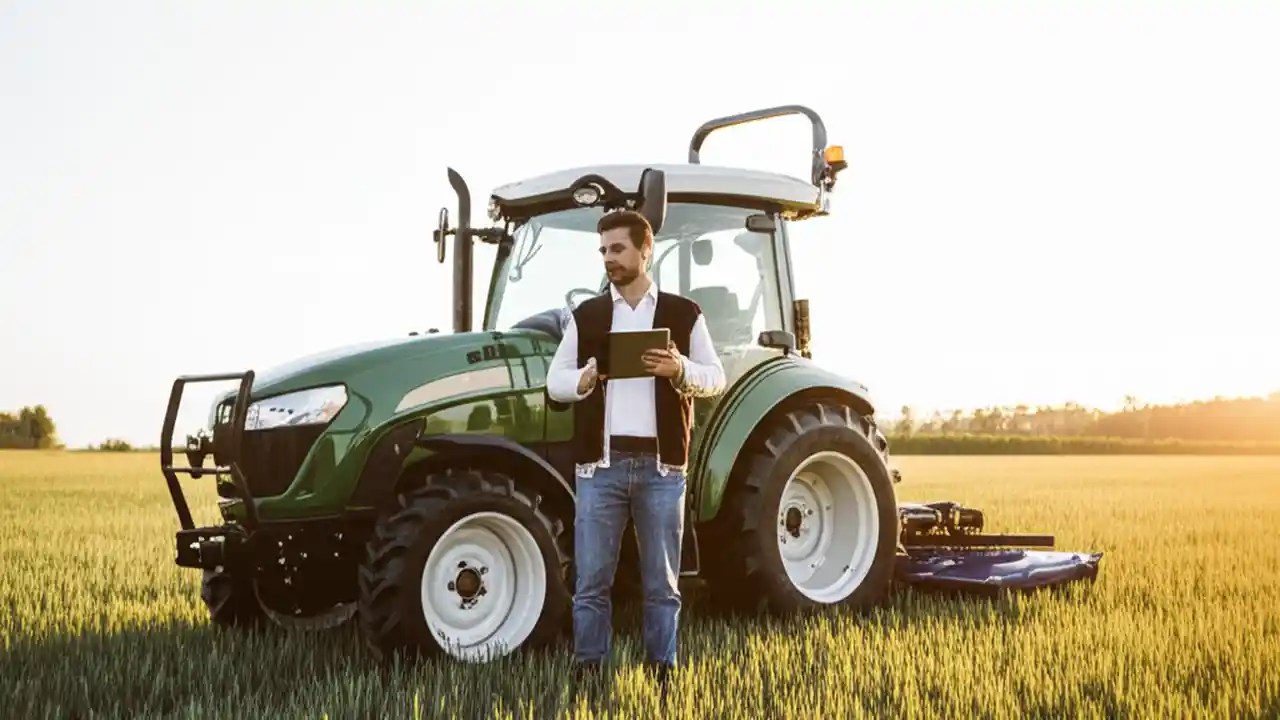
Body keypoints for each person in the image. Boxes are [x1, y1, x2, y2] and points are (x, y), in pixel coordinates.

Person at [547, 209, 726, 686]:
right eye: (603, 250)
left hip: (662, 469)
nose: (609, 258)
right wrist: (583, 379)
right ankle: (589, 673)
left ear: (645, 250)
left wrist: (680, 370)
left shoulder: (683, 314)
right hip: (599, 468)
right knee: (590, 584)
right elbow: (555, 382)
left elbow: (716, 377)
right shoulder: (586, 317)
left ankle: (661, 675)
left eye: (617, 248)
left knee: (662, 585)